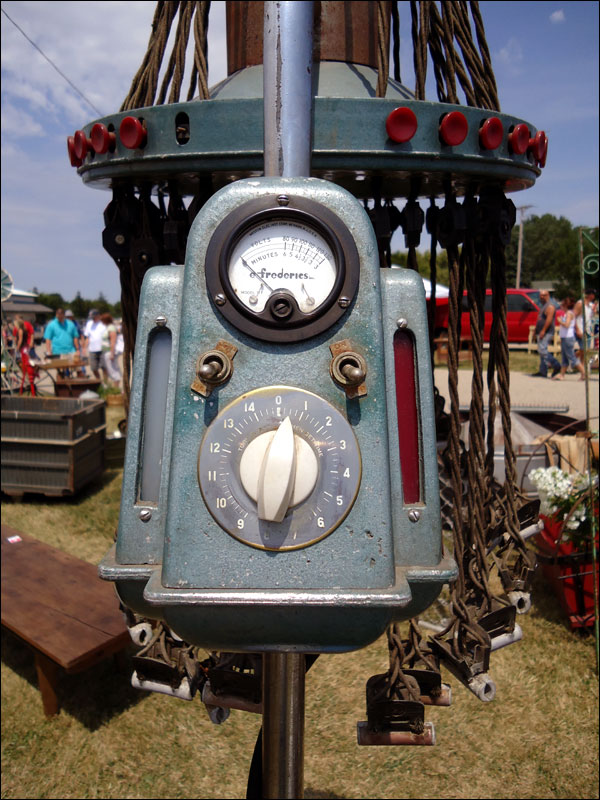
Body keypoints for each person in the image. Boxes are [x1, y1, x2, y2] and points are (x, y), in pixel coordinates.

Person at [553, 296, 585, 381]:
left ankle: (584, 373)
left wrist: (560, 321)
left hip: (568, 338)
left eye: (562, 305)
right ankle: (562, 374)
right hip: (565, 337)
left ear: (566, 305)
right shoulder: (569, 313)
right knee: (564, 357)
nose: (561, 307)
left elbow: (567, 325)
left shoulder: (569, 314)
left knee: (572, 357)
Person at [531, 289, 560, 378]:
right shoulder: (543, 306)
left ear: (548, 295)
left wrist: (543, 330)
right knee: (541, 351)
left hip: (547, 332)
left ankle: (556, 365)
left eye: (543, 295)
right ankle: (543, 371)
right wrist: (535, 331)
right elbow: (539, 319)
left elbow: (549, 320)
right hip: (540, 331)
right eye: (540, 295)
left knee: (542, 350)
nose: (541, 297)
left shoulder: (550, 306)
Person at [100, 312, 122, 387]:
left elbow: (113, 341)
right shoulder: (109, 327)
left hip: (109, 352)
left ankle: (116, 388)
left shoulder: (111, 328)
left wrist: (112, 353)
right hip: (108, 351)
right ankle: (116, 387)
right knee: (113, 369)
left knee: (113, 370)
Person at [83, 309, 106, 380]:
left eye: (94, 316)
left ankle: (106, 382)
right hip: (92, 349)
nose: (92, 318)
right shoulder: (89, 324)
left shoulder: (103, 323)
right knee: (93, 368)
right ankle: (98, 380)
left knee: (104, 367)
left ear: (98, 316)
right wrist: (84, 348)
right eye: (91, 317)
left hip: (103, 349)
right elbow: (87, 337)